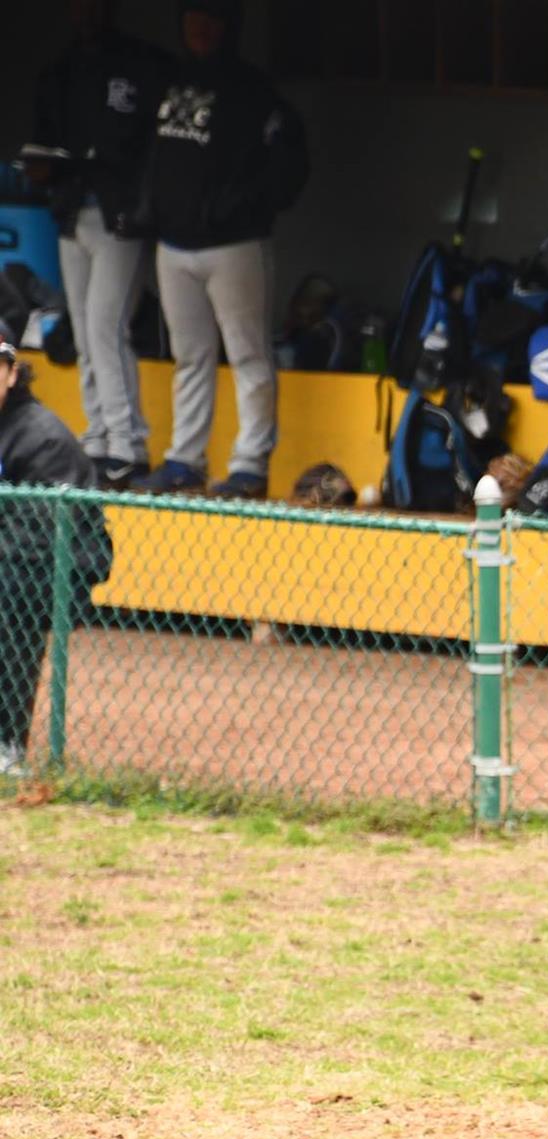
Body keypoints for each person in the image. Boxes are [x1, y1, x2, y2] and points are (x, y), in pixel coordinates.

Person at [132, 0, 308, 501]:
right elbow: (150, 158)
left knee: (249, 354)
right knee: (190, 357)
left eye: (211, 18)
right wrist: (148, 210)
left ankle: (249, 465)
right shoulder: (168, 79)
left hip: (235, 246)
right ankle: (185, 461)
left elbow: (288, 165)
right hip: (173, 245)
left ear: (230, 26)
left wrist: (241, 205)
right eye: (192, 17)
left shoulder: (254, 91)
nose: (200, 28)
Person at [27, 0, 169, 490]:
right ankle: (99, 439)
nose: (86, 15)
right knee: (86, 332)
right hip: (72, 213)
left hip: (120, 220)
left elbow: (152, 148)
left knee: (107, 326)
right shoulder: (62, 72)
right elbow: (45, 144)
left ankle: (129, 446)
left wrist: (142, 207)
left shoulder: (139, 65)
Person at [0, 325, 114, 777]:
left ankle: (6, 745)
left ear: (12, 373)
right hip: (12, 553)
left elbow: (43, 531)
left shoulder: (40, 435)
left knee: (9, 594)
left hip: (60, 563)